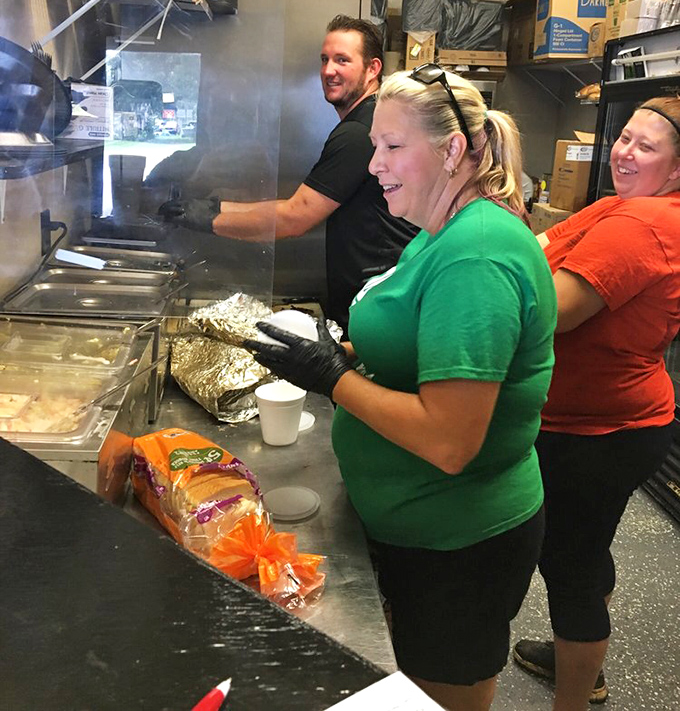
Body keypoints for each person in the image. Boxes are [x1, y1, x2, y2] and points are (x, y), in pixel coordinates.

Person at [245, 65, 557, 711]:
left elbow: (449, 440)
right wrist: (345, 351)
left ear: (450, 150)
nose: (375, 164)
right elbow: (426, 349)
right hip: (412, 524)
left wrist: (332, 376)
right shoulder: (439, 230)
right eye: (374, 146)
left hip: (458, 539)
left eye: (392, 147)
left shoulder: (477, 253)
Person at [513, 98, 680, 710]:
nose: (624, 152)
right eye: (624, 137)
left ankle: (573, 697)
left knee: (569, 562)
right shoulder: (619, 204)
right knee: (588, 544)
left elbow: (550, 310)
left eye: (645, 146)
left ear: (679, 169)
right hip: (613, 420)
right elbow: (539, 245)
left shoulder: (644, 226)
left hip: (601, 430)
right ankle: (581, 661)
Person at [158, 15, 415, 332]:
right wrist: (214, 207)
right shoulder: (365, 121)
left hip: (376, 308)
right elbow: (295, 205)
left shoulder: (360, 132)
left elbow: (296, 216)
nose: (328, 70)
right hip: (371, 302)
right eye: (324, 59)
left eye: (342, 60)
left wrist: (203, 218)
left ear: (373, 68)